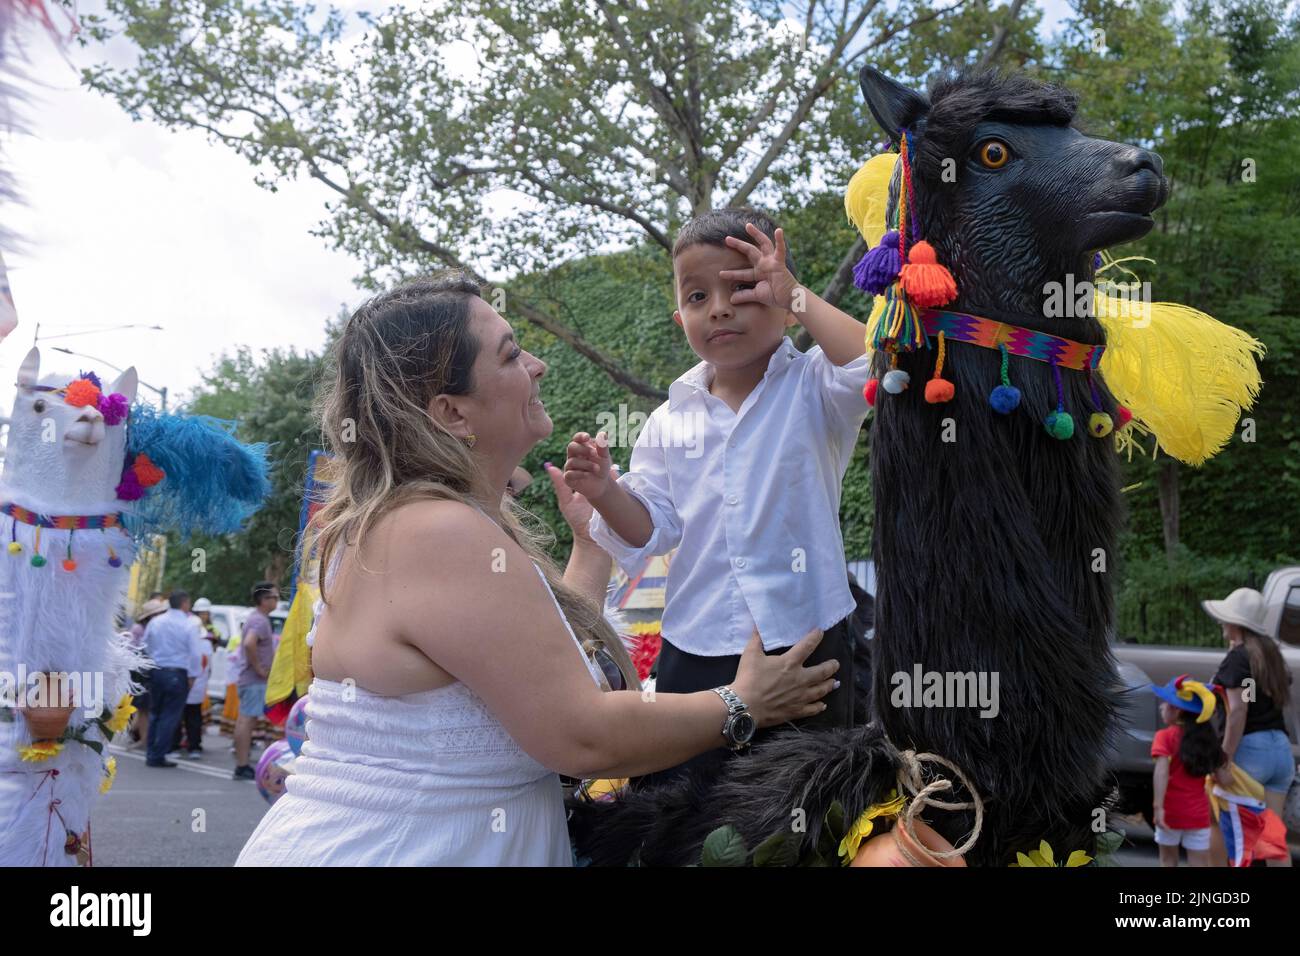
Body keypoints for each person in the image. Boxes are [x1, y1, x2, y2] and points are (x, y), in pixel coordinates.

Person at [235, 273, 836, 866]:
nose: (538, 364)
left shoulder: (415, 523)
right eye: (510, 355)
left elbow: (535, 669)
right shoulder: (437, 531)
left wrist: (590, 545)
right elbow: (580, 734)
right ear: (452, 412)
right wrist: (744, 703)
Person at [565, 208, 869, 787]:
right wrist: (605, 492)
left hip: (807, 639)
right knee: (683, 804)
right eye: (698, 296)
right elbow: (650, 529)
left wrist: (797, 295)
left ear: (783, 298)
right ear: (680, 316)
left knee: (807, 806)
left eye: (745, 288)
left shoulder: (815, 387)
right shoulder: (666, 420)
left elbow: (872, 362)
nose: (719, 308)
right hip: (695, 641)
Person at [1204, 586, 1295, 866]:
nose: (1221, 623)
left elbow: (1238, 710)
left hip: (1249, 752)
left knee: (1220, 822)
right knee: (1272, 838)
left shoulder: (1239, 659)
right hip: (1279, 750)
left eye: (1225, 618)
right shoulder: (1269, 654)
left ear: (1235, 623)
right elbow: (1252, 696)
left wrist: (1224, 758)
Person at [1150, 676, 1223, 867]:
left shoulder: (1164, 737)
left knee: (1168, 861)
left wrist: (1158, 807)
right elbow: (1223, 777)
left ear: (1176, 709)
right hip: (1198, 814)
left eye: (1164, 704)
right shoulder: (1209, 742)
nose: (1161, 708)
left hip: (1170, 812)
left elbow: (1161, 773)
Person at [142, 591, 203, 768]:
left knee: (155, 713)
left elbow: (146, 645)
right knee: (170, 715)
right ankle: (158, 754)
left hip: (157, 671)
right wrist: (193, 675)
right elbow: (195, 653)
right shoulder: (189, 624)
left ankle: (151, 752)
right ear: (184, 603)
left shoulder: (156, 621)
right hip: (177, 672)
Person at [232, 581, 279, 780]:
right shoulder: (259, 621)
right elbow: (249, 643)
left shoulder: (256, 618)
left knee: (244, 721)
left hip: (248, 679)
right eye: (274, 597)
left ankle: (242, 762)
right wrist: (259, 667)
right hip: (253, 680)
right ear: (263, 600)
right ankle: (242, 765)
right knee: (246, 722)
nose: (277, 601)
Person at [125, 598, 167, 750]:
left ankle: (136, 733)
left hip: (151, 671)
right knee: (143, 709)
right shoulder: (139, 629)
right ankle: (142, 738)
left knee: (145, 708)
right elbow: (131, 650)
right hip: (141, 672)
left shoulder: (156, 627)